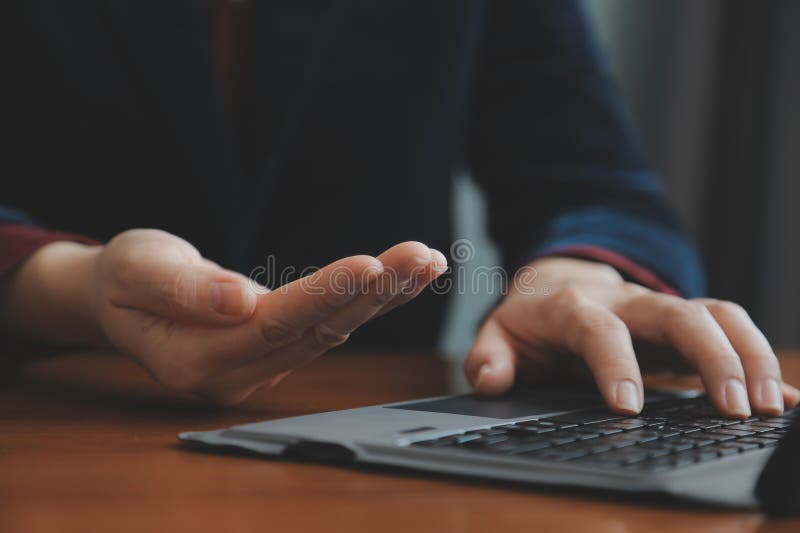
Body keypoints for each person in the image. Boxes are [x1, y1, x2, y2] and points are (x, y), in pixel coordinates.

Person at [1, 1, 797, 414]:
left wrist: (580, 277)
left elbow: (593, 179)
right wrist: (64, 284)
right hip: (46, 423)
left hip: (381, 451)